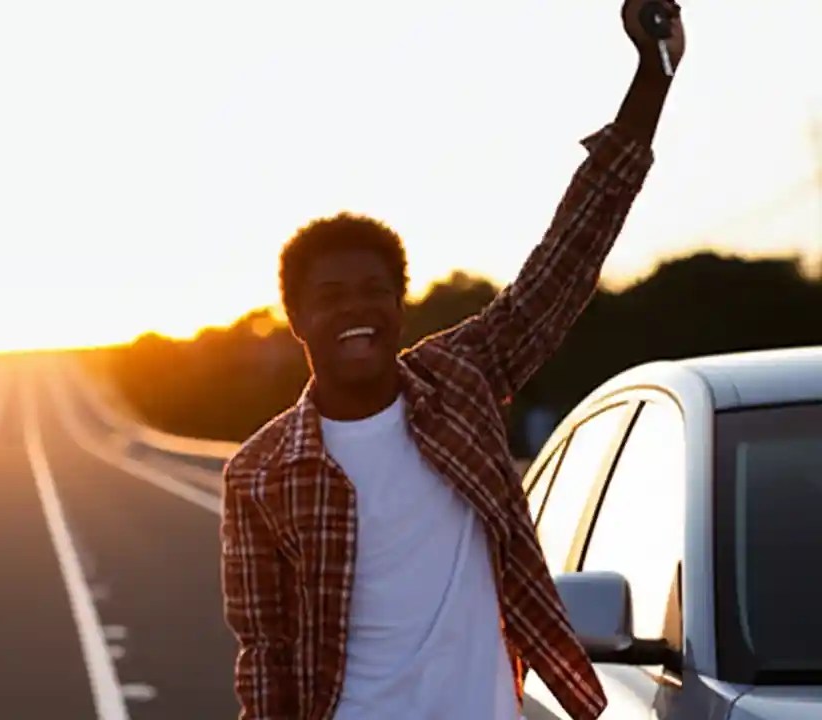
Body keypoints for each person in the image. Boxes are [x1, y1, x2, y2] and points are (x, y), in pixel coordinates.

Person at [218, 1, 685, 718]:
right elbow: (266, 654)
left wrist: (651, 79)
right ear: (298, 319)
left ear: (400, 308)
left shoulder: (459, 383)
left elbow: (566, 259)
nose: (356, 311)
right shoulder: (259, 473)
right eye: (332, 296)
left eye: (375, 292)